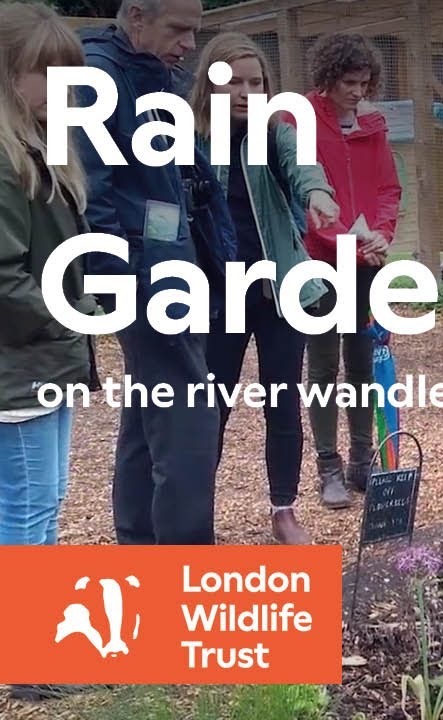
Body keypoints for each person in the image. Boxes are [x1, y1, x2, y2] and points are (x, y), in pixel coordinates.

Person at [76, 0, 230, 545]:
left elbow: (182, 180)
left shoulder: (154, 75)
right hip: (145, 274)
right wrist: (114, 277)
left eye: (195, 29)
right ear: (136, 17)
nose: (190, 43)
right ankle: (186, 567)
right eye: (179, 29)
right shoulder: (98, 77)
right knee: (190, 413)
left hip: (169, 264)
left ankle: (140, 547)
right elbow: (93, 187)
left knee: (150, 408)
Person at [188, 33, 342, 543]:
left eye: (255, 82)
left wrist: (317, 191)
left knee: (282, 397)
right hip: (220, 290)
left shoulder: (274, 133)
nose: (244, 91)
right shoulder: (189, 139)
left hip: (279, 287)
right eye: (233, 81)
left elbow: (303, 166)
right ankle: (195, 509)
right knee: (212, 402)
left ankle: (284, 510)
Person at [0, 4, 99, 700]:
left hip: (50, 358)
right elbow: (6, 277)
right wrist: (70, 319)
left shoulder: (40, 148)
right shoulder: (5, 164)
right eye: (48, 72)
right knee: (28, 507)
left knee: (47, 499)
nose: (63, 86)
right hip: (19, 367)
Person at [289, 32, 401, 509]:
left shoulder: (373, 124)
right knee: (322, 364)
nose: (358, 91)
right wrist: (352, 245)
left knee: (361, 358)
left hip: (365, 260)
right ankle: (327, 466)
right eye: (349, 83)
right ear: (328, 79)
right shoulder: (299, 121)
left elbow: (387, 188)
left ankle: (362, 460)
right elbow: (304, 194)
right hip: (319, 260)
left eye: (364, 82)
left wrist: (382, 234)